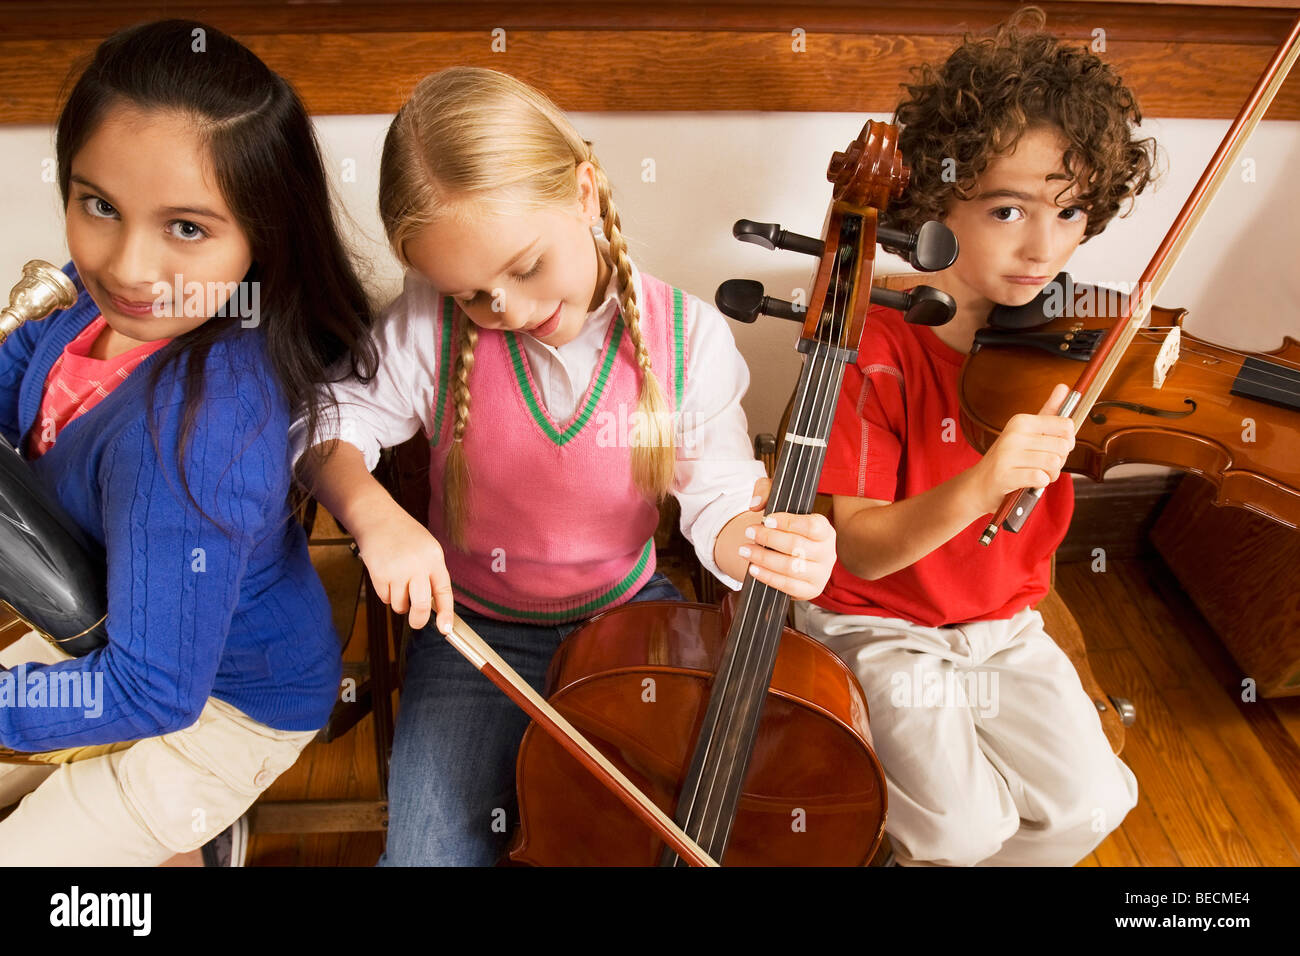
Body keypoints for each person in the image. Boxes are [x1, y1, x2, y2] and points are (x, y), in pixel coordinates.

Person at [295, 66, 837, 865]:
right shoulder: (430, 324)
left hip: (624, 625)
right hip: (472, 629)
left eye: (523, 268)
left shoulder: (691, 339)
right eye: (474, 294)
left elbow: (718, 506)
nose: (505, 309)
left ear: (584, 193)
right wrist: (376, 520)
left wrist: (764, 545)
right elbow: (325, 428)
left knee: (636, 839)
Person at [0, 19, 377, 865]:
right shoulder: (77, 303)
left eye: (187, 229)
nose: (128, 267)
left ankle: (192, 836)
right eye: (99, 205)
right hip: (107, 628)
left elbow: (157, 693)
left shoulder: (196, 440)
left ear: (261, 240)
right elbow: (13, 378)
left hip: (223, 705)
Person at [793, 8, 1157, 866]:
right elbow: (866, 555)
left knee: (1097, 802)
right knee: (961, 829)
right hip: (878, 624)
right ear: (936, 199)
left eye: (1071, 214)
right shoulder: (874, 343)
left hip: (1003, 620)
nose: (1045, 249)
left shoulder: (1075, 333)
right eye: (1008, 210)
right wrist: (984, 483)